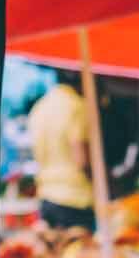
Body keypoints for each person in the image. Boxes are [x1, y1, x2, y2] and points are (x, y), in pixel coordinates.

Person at [27, 81, 96, 230]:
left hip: (46, 194)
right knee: (76, 250)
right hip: (76, 197)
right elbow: (82, 159)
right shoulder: (77, 106)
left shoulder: (39, 107)